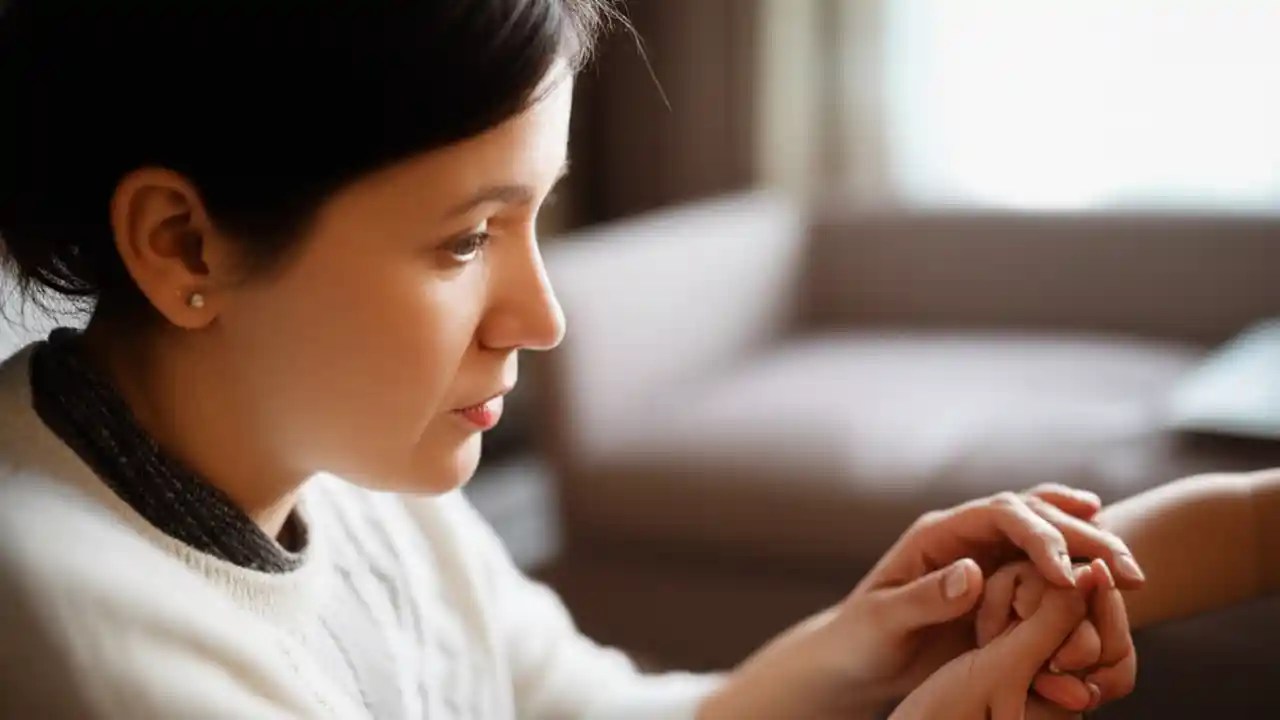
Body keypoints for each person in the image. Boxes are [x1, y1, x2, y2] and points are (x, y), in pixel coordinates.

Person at [0, 2, 1142, 718]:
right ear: (181, 243)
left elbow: (575, 706)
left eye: (534, 215)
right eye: (464, 238)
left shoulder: (344, 463)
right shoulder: (65, 626)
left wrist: (862, 653)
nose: (541, 318)